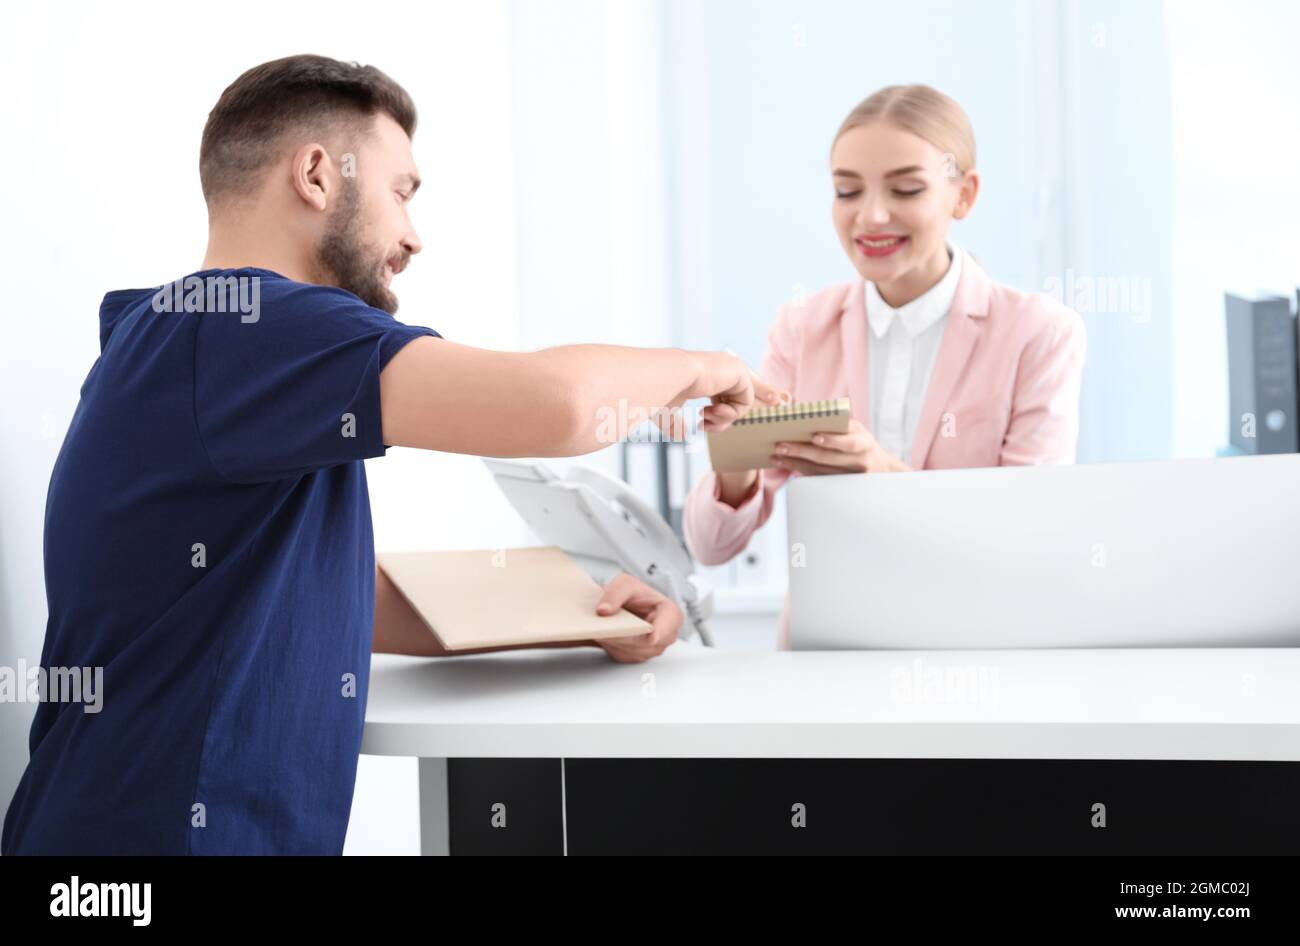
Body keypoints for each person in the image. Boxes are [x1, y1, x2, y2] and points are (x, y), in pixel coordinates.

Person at [1, 54, 781, 856]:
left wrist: (582, 615)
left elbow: (335, 595)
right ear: (316, 174)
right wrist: (705, 366)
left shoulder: (191, 342)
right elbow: (558, 406)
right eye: (402, 190)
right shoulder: (250, 326)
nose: (413, 235)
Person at [683, 84, 1087, 646]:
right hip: (828, 655)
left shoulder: (1038, 333)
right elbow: (711, 547)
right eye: (847, 191)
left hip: (975, 652)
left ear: (963, 195)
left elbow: (1026, 538)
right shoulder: (802, 328)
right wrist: (734, 461)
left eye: (905, 188)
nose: (871, 215)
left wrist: (883, 476)